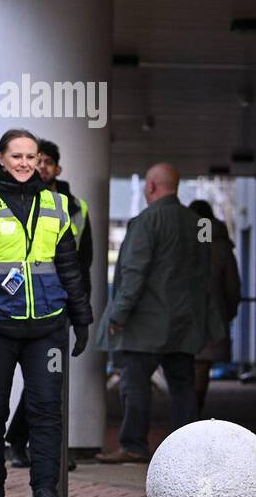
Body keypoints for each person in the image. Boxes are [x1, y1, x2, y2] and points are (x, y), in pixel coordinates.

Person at [0, 129, 92, 497]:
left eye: (32, 156)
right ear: (1, 157)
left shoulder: (58, 205)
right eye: (17, 156)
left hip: (47, 325)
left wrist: (82, 318)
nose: (26, 163)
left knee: (46, 410)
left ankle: (45, 493)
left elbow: (69, 267)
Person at [94, 164, 213, 462]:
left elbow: (133, 274)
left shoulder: (146, 221)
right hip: (184, 323)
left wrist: (117, 315)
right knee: (183, 388)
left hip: (144, 325)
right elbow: (204, 273)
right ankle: (188, 448)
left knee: (135, 387)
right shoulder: (199, 225)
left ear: (150, 187)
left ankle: (134, 445)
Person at [5, 138, 94, 466]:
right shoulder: (18, 200)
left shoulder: (76, 207)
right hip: (23, 302)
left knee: (50, 378)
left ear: (57, 168)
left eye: (47, 162)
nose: (40, 167)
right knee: (40, 380)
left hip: (60, 303)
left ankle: (42, 448)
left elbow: (83, 261)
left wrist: (80, 308)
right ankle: (26, 442)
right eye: (36, 161)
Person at [189, 200, 241, 413]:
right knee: (202, 366)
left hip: (181, 316)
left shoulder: (180, 244)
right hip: (213, 316)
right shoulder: (221, 246)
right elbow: (232, 286)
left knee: (182, 367)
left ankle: (185, 413)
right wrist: (227, 313)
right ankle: (195, 408)